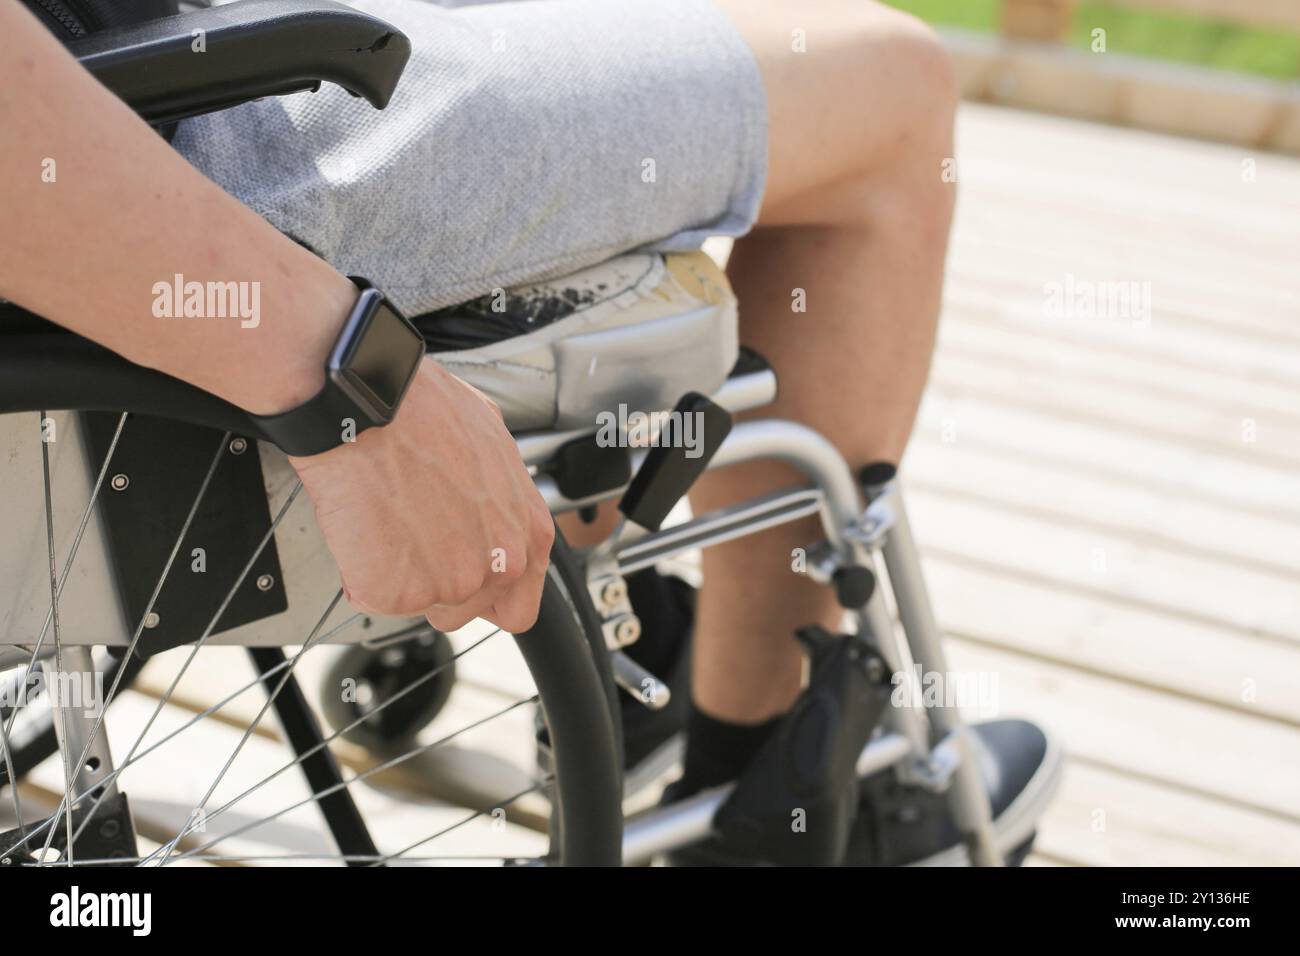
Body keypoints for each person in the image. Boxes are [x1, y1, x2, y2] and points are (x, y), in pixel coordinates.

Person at [1, 0, 1053, 864]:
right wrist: (345, 375)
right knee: (894, 86)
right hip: (164, 146)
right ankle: (763, 790)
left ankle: (642, 629)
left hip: (122, 94)